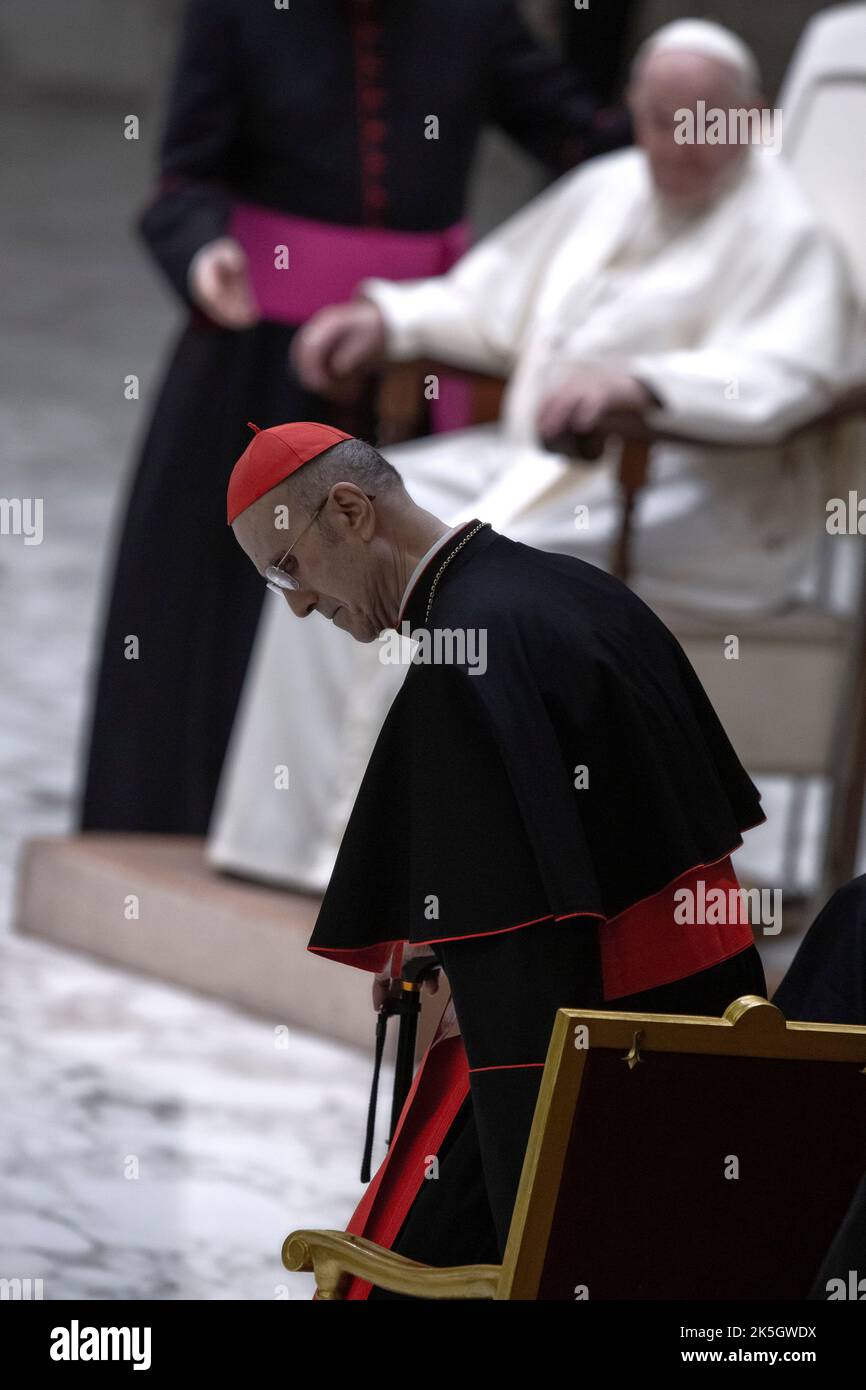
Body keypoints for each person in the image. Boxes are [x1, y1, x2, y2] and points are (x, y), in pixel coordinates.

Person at [205, 17, 859, 893]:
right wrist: (390, 320)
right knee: (334, 526)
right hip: (552, 464)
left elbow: (790, 375)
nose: (678, 143)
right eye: (660, 119)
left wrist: (642, 385)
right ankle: (286, 848)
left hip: (702, 502)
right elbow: (491, 301)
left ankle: (402, 871)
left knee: (464, 563)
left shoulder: (785, 233)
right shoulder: (609, 188)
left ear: (752, 116)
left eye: (705, 120)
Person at [225, 420, 768, 1298]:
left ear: (352, 511)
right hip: (712, 1028)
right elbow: (595, 854)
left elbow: (526, 967)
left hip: (599, 1070)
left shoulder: (461, 653)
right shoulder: (567, 589)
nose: (294, 602)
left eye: (288, 566)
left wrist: (533, 1230)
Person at [78, 0, 624, 835]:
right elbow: (185, 181)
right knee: (225, 610)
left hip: (410, 365)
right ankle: (190, 827)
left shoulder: (471, 15)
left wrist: (688, 130)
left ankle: (371, 844)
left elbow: (581, 141)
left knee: (390, 597)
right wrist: (203, 252)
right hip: (259, 362)